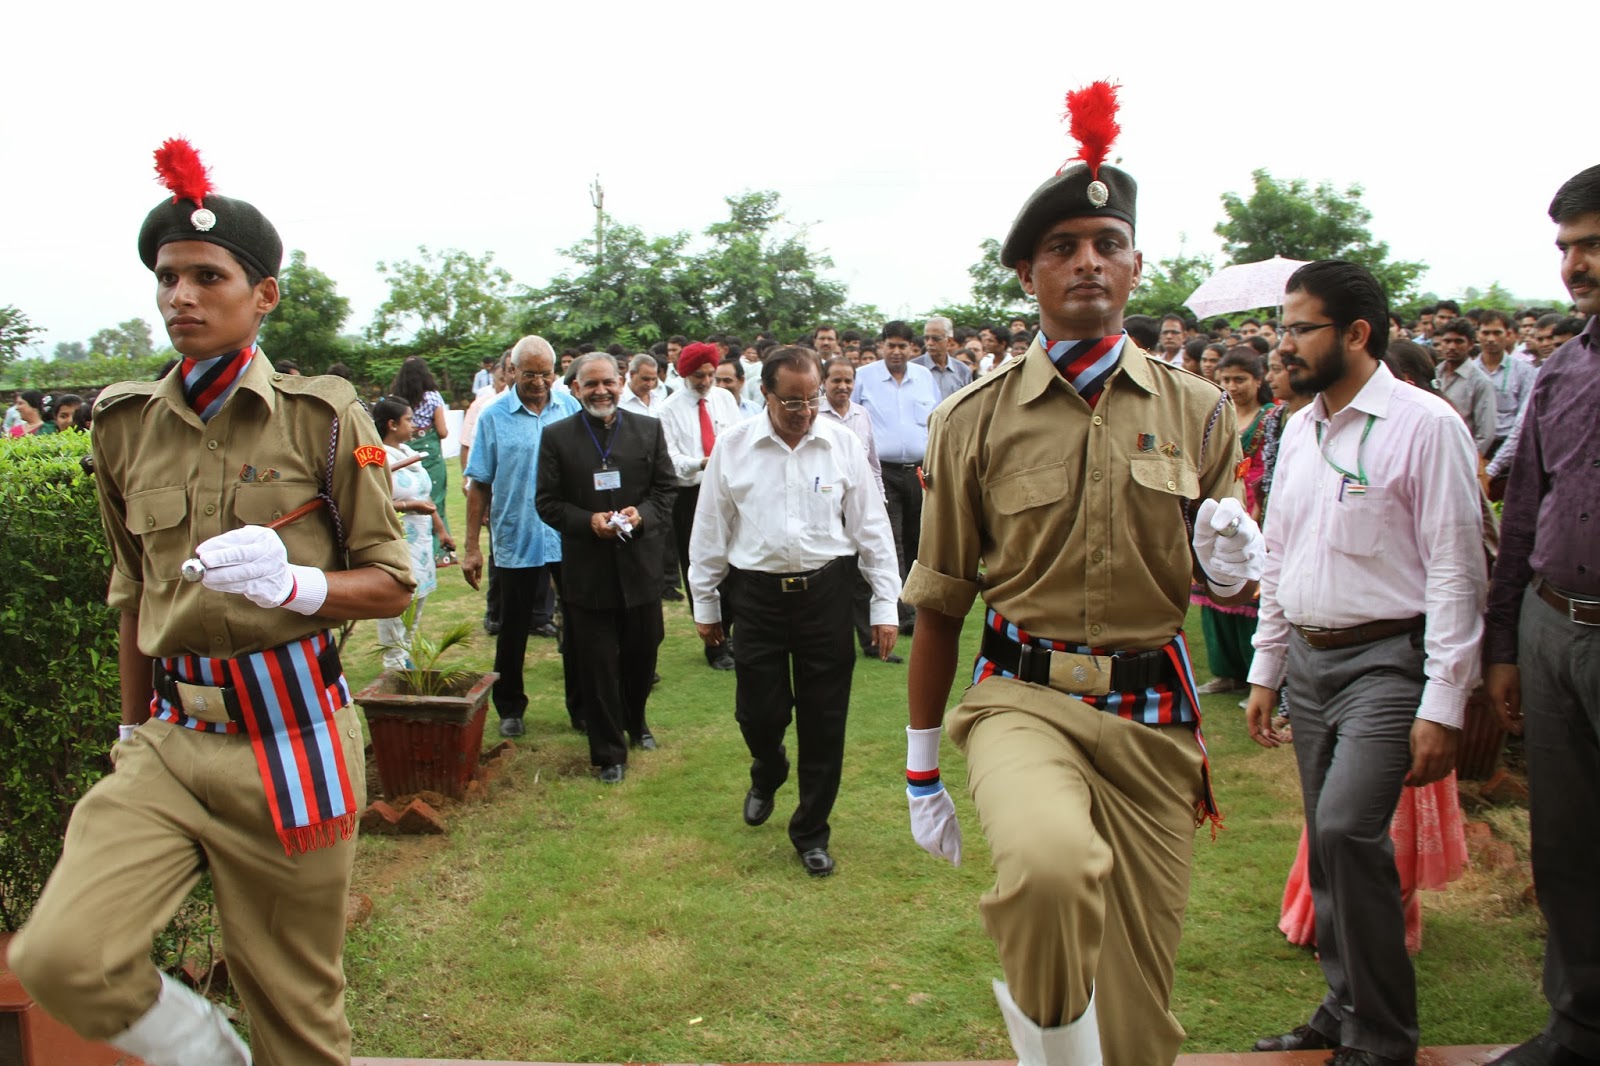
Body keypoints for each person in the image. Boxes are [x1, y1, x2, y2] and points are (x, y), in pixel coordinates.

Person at [6, 138, 414, 1066]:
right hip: (170, 740)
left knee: (298, 1018)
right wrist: (128, 732)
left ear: (263, 294)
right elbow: (131, 592)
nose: (179, 297)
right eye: (167, 278)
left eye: (206, 276)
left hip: (292, 740)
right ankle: (205, 1051)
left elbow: (393, 579)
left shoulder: (323, 419)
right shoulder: (123, 426)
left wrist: (297, 583)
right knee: (62, 956)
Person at [901, 85, 1262, 1066]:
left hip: (1153, 717)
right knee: (1051, 872)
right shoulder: (970, 419)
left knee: (1140, 1015)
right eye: (1062, 247)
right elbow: (941, 600)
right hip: (1023, 698)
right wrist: (922, 766)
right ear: (1028, 273)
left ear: (1136, 264)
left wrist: (1237, 570)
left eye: (1108, 242)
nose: (1088, 261)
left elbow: (1230, 573)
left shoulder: (1200, 412)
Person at [1244, 260, 1486, 1066]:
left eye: (1299, 328)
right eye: (1282, 328)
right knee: (1327, 842)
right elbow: (1279, 553)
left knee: (1349, 830)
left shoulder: (1425, 425)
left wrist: (1444, 702)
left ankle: (1383, 1036)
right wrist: (1267, 668)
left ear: (1355, 333)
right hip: (1311, 663)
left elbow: (1456, 569)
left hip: (1388, 662)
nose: (1283, 346)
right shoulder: (1300, 426)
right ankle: (1343, 1006)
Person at [689, 346, 901, 875]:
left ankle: (811, 830)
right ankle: (768, 767)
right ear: (764, 393)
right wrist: (706, 602)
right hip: (756, 597)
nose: (804, 412)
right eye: (791, 401)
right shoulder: (734, 447)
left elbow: (872, 528)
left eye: (811, 400)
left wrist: (884, 605)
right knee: (758, 714)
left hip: (826, 595)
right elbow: (710, 527)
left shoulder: (842, 445)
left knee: (824, 720)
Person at [1482, 164, 1600, 1066]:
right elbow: (1522, 512)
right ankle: (1578, 1026)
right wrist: (1505, 645)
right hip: (1553, 624)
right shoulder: (1562, 372)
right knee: (1567, 842)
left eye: (1592, 245)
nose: (1575, 265)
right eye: (1566, 248)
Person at [536, 354, 676, 782]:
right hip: (587, 570)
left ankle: (636, 721)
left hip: (640, 566)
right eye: (591, 384)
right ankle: (609, 753)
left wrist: (641, 516)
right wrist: (587, 521)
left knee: (643, 653)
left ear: (622, 383)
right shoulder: (557, 437)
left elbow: (665, 490)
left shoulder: (648, 429)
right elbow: (547, 502)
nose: (601, 391)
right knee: (597, 666)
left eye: (608, 383)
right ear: (576, 388)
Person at [461, 336, 582, 738]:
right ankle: (510, 707)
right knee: (512, 628)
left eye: (546, 374)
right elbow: (479, 484)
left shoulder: (570, 408)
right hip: (517, 535)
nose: (539, 382)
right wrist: (471, 547)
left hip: (567, 536)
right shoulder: (494, 416)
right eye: (530, 374)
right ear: (512, 371)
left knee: (578, 625)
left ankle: (582, 707)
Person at [1195, 348, 1279, 695]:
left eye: (1240, 379)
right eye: (1226, 379)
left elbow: (1268, 464)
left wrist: (1255, 505)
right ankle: (1225, 671)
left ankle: (1256, 675)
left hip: (1256, 506)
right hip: (1219, 505)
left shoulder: (1270, 417)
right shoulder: (1217, 411)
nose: (1232, 386)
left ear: (1258, 380)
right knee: (1214, 584)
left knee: (1249, 590)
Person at [659, 341, 743, 670]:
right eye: (699, 376)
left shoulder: (724, 399)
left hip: (727, 489)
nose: (706, 381)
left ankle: (731, 632)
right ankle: (715, 645)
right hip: (690, 495)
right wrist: (702, 463)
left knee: (734, 562)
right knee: (700, 567)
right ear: (684, 374)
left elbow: (738, 440)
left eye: (710, 374)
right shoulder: (668, 409)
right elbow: (670, 458)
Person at [853, 320, 938, 633]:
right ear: (881, 346)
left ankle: (916, 602)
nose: (897, 351)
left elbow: (936, 420)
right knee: (893, 540)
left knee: (917, 538)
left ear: (912, 348)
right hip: (881, 471)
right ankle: (902, 611)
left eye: (903, 346)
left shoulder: (924, 377)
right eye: (891, 345)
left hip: (919, 470)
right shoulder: (864, 377)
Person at [820, 357, 895, 664]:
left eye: (848, 380)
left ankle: (871, 641)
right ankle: (829, 640)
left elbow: (872, 464)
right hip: (827, 507)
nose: (843, 386)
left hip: (861, 506)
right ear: (824, 382)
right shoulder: (814, 415)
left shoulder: (861, 414)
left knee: (865, 573)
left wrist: (880, 499)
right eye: (836, 380)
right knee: (831, 574)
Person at [371, 396, 454, 669]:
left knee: (417, 601)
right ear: (392, 424)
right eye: (408, 419)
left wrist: (441, 530)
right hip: (397, 542)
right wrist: (409, 506)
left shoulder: (409, 452)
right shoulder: (377, 457)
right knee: (397, 603)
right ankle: (394, 663)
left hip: (422, 542)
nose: (415, 424)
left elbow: (425, 496)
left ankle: (405, 657)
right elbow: (373, 501)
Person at [390, 355, 453, 560]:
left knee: (410, 497)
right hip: (429, 453)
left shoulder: (395, 398)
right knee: (434, 498)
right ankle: (439, 551)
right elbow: (442, 431)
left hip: (403, 452)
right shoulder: (433, 397)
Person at [1471, 310, 1537, 456]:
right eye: (1485, 333)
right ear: (1477, 335)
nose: (1490, 339)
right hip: (1474, 446)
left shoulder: (1523, 371)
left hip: (1510, 446)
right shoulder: (1469, 371)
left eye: (1497, 333)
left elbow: (1524, 417)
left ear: (1508, 334)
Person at [1432, 319, 1497, 456]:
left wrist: (1470, 460)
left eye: (1459, 341)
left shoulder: (1480, 381)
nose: (1452, 347)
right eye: (1447, 341)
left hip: (1461, 454)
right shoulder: (1435, 373)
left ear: (1471, 345)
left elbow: (1486, 434)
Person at [912, 315, 974, 400]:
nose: (929, 343)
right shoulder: (913, 368)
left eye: (935, 339)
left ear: (949, 341)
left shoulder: (963, 371)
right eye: (926, 338)